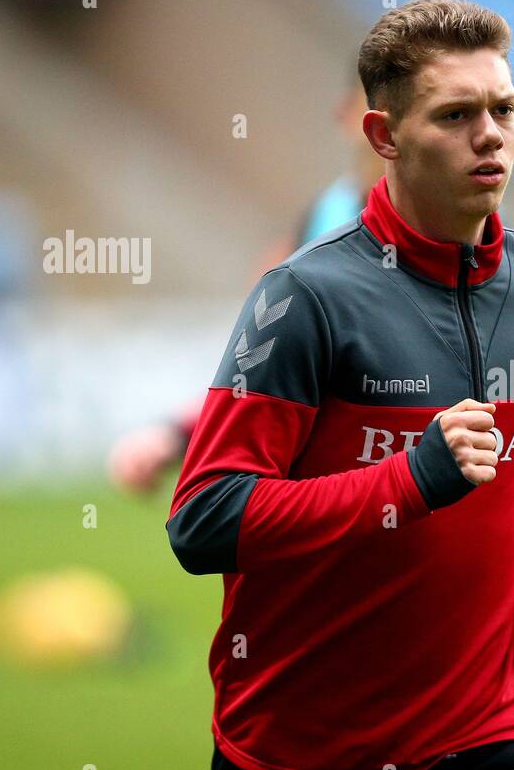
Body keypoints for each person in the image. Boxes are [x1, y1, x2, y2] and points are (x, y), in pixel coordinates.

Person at [166, 0, 514, 770]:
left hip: (486, 741)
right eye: (456, 115)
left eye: (503, 110)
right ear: (383, 136)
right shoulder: (306, 297)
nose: (492, 135)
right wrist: (407, 479)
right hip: (299, 759)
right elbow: (203, 520)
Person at [107, 82, 384, 495]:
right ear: (348, 115)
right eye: (378, 107)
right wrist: (177, 432)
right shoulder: (318, 224)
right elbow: (258, 361)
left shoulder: (473, 236)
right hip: (328, 494)